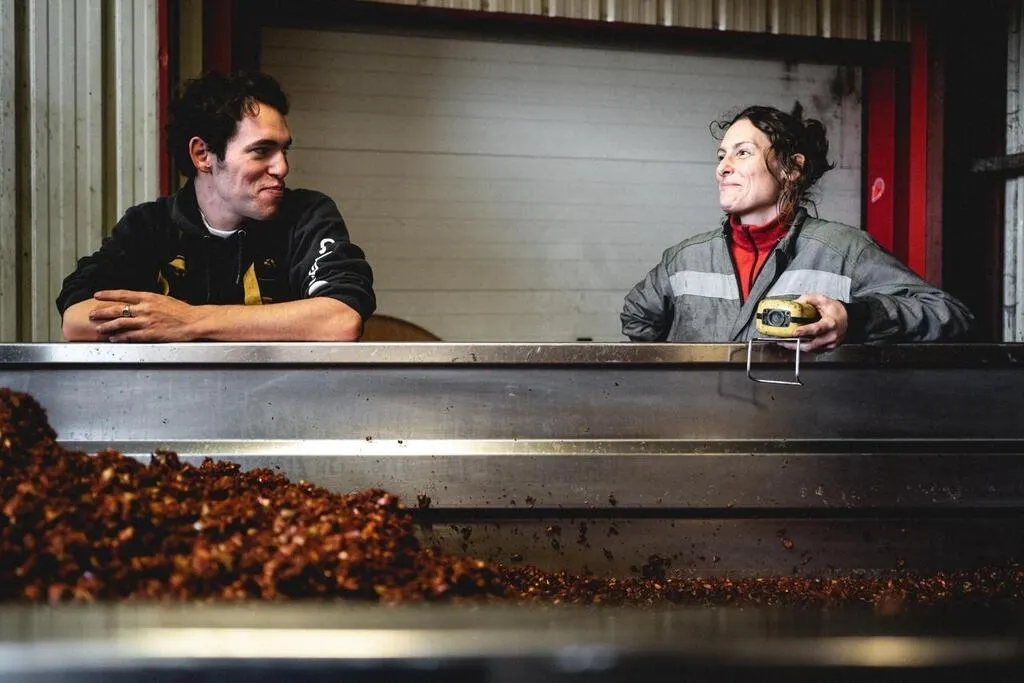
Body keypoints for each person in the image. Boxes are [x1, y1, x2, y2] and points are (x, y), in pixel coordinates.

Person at [620, 104, 973, 350]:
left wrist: (855, 318)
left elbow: (951, 316)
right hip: (704, 429)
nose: (723, 167)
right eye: (721, 155)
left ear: (791, 168)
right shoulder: (684, 259)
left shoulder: (844, 251)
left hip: (800, 426)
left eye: (742, 152)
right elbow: (637, 319)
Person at [56, 71, 375, 342]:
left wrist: (189, 321)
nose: (282, 167)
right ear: (202, 155)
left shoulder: (307, 215)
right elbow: (77, 318)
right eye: (261, 151)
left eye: (283, 150)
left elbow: (340, 319)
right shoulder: (149, 226)